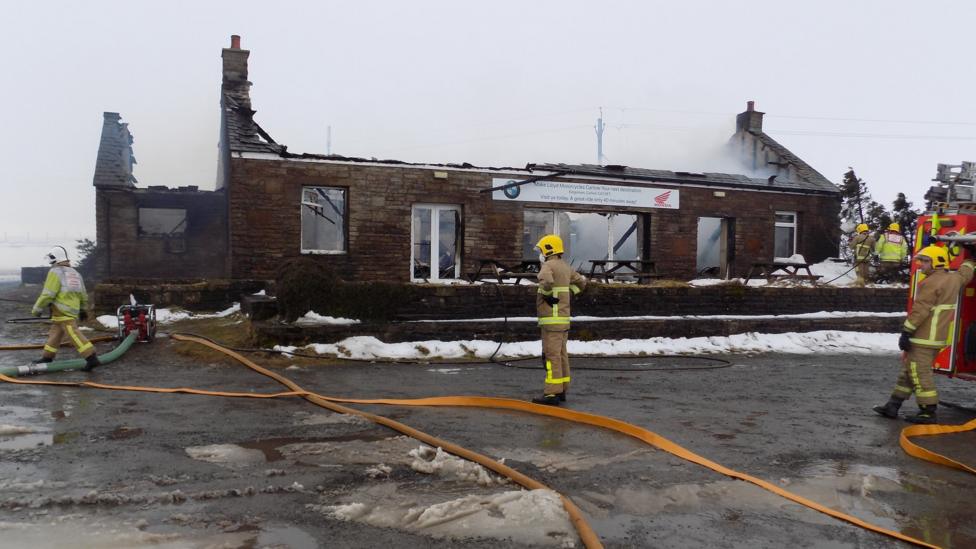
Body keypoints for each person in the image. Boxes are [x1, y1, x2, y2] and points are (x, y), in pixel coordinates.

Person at [873, 245, 976, 424]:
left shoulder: (930, 283)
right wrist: (971, 259)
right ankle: (893, 405)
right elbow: (965, 273)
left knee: (920, 373)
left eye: (925, 261)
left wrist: (906, 331)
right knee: (908, 372)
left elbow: (920, 311)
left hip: (923, 337)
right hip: (936, 338)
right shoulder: (954, 279)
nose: (921, 265)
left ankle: (928, 412)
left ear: (937, 262)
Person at [531, 234, 587, 406]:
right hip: (563, 320)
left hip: (551, 321)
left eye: (541, 250)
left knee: (552, 356)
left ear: (549, 249)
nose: (540, 253)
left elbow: (546, 281)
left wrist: (547, 294)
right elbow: (582, 283)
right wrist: (569, 293)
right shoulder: (565, 266)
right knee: (562, 355)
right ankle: (562, 389)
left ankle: (551, 393)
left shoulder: (548, 265)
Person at [30, 246, 101, 371]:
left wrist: (37, 309)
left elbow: (48, 294)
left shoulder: (55, 272)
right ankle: (47, 357)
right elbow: (82, 294)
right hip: (69, 310)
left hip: (62, 311)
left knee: (73, 334)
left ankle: (91, 357)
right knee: (55, 333)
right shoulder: (75, 273)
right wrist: (82, 309)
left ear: (54, 258)